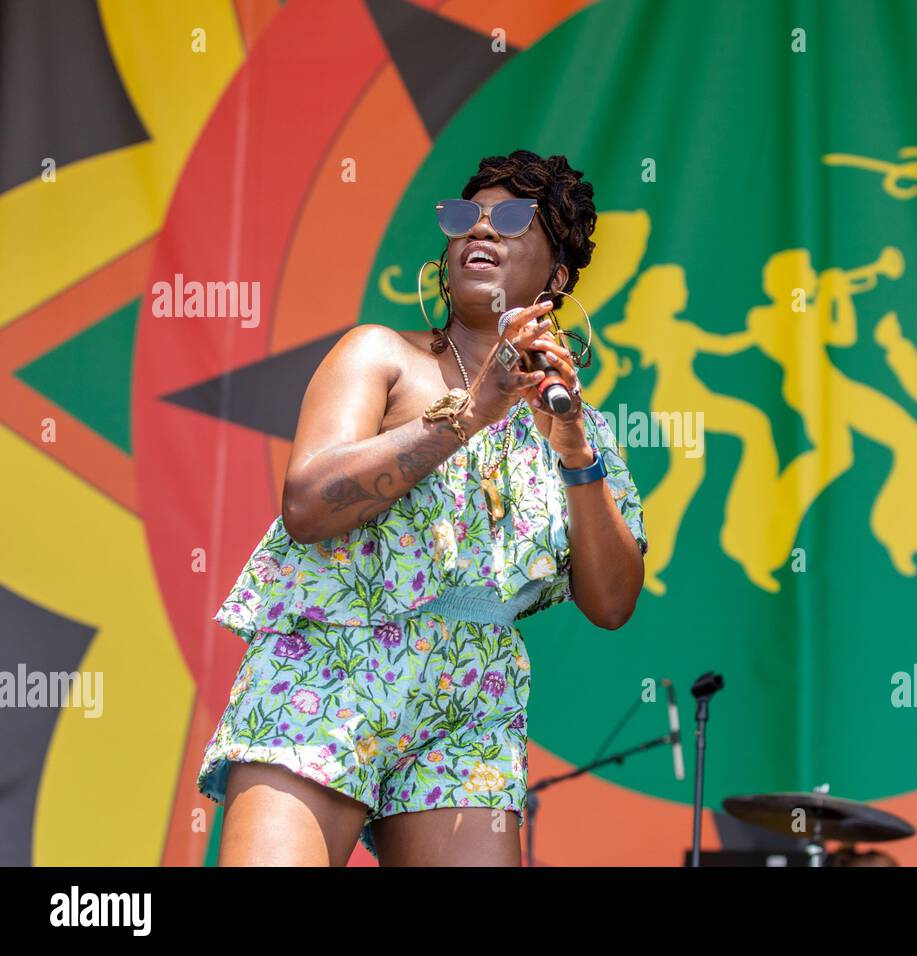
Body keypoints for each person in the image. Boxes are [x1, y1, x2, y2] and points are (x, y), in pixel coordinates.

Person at [196, 150, 648, 866]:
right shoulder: (379, 354)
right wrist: (473, 409)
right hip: (332, 661)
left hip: (472, 691)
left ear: (558, 276)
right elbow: (308, 506)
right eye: (466, 215)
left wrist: (572, 448)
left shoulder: (579, 427)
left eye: (510, 219)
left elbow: (613, 602)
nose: (481, 230)